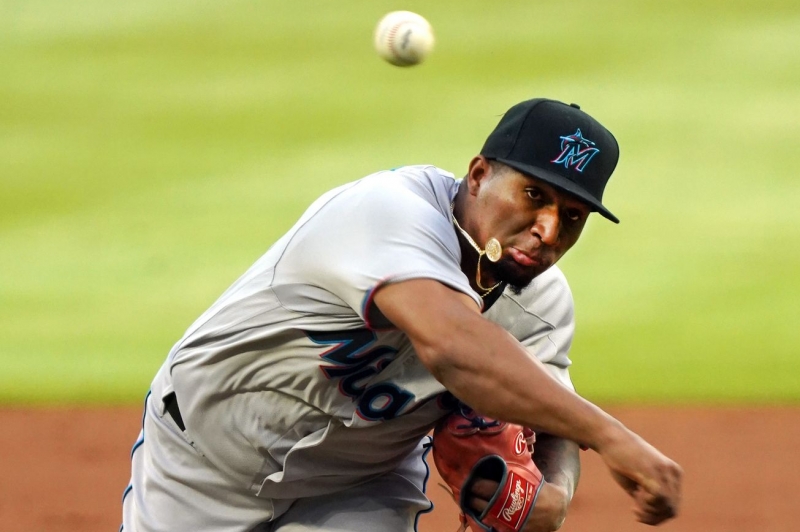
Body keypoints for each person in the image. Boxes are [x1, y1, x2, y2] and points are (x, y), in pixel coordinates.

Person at [122, 98, 682, 532]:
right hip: (201, 459)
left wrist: (555, 495)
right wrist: (613, 437)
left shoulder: (543, 302)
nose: (549, 230)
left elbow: (550, 415)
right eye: (534, 194)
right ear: (480, 173)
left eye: (573, 216)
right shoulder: (389, 211)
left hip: (358, 487)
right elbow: (453, 345)